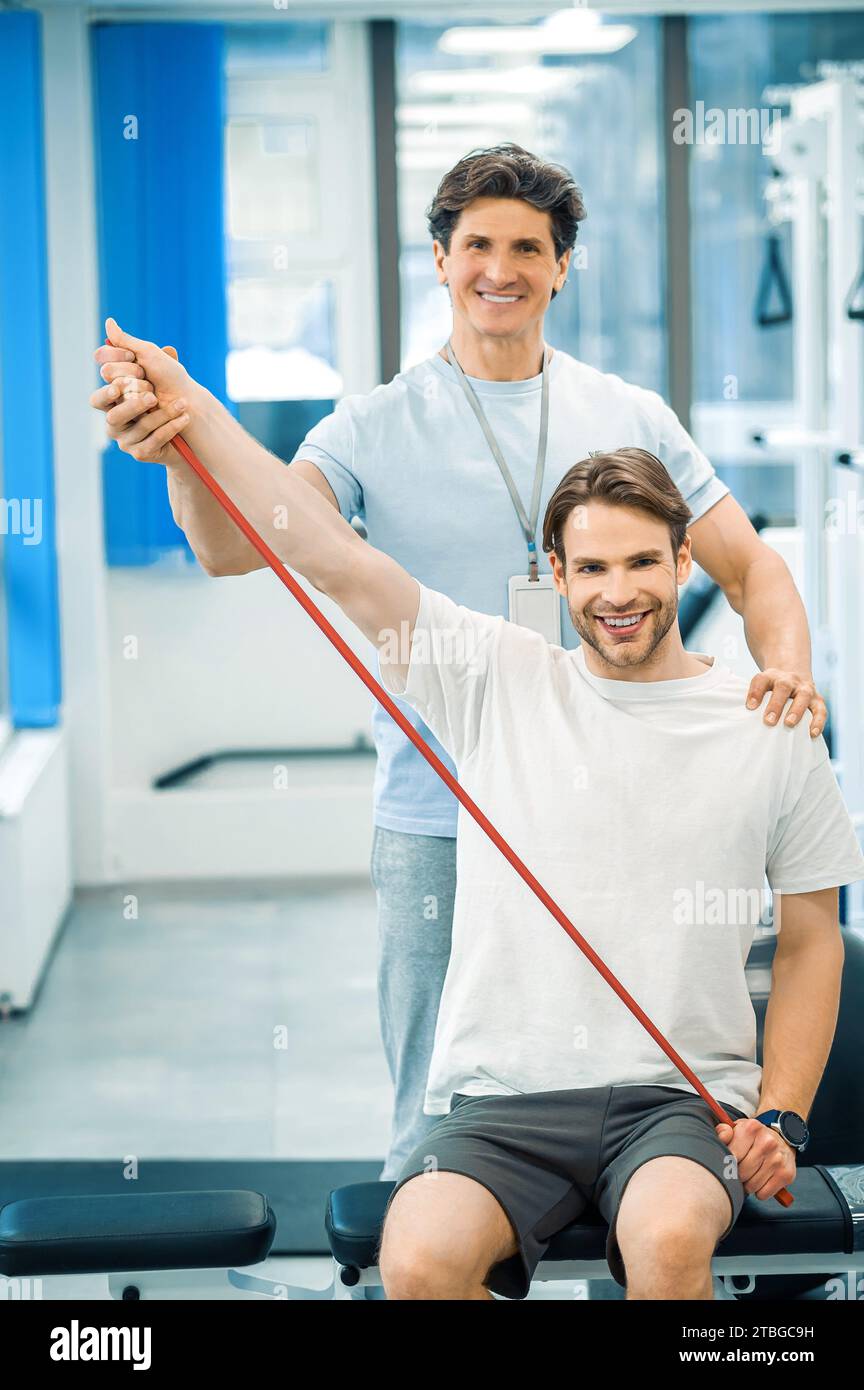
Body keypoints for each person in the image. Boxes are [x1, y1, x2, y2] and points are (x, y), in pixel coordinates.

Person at [91, 143, 829, 1183]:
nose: (500, 268)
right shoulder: (375, 424)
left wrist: (786, 673)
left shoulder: (630, 417)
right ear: (439, 259)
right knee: (433, 1120)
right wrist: (181, 446)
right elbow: (231, 546)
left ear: (562, 266)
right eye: (476, 244)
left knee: (626, 1096)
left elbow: (753, 568)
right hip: (441, 816)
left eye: (528, 246)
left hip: (622, 807)